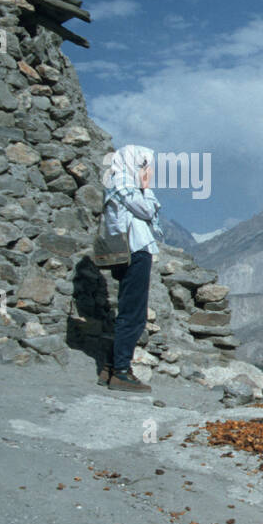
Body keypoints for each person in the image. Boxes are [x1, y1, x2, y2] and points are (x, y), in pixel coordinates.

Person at [100, 145, 161, 393]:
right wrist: (147, 187)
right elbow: (148, 209)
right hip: (135, 250)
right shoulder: (124, 182)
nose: (147, 169)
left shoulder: (118, 181)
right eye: (144, 163)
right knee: (133, 314)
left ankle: (111, 366)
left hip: (131, 250)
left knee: (128, 310)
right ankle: (121, 372)